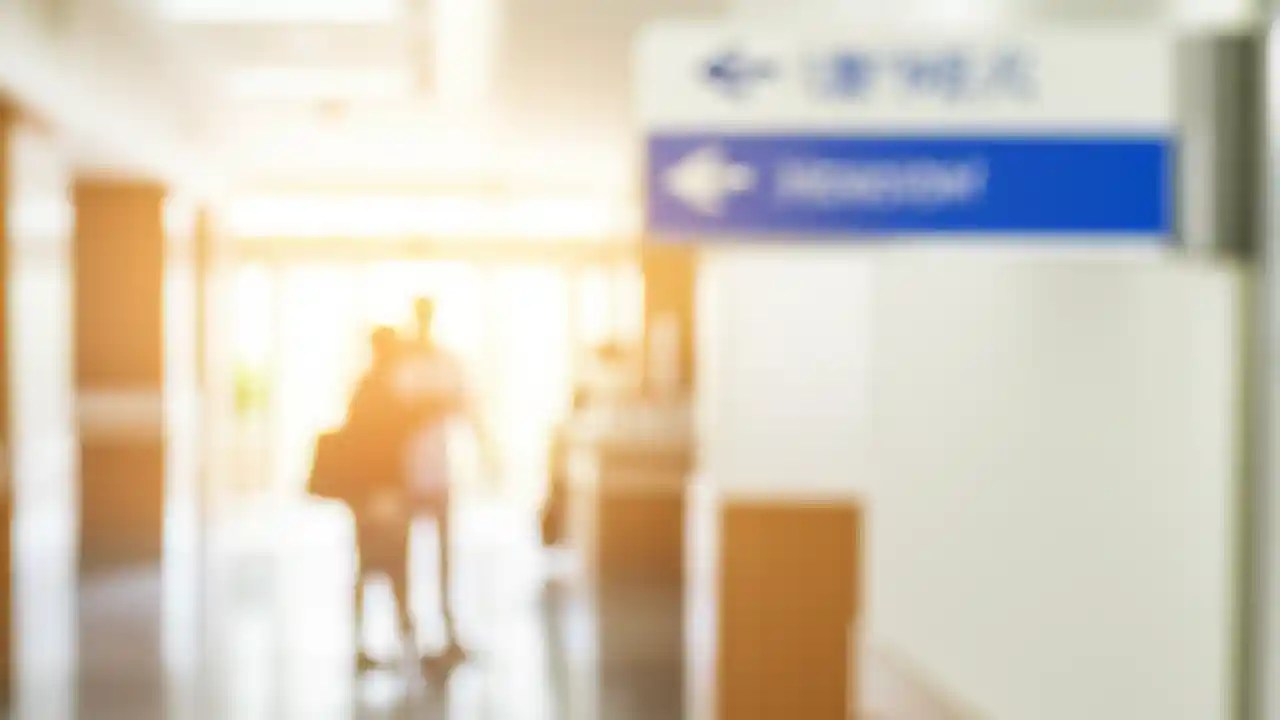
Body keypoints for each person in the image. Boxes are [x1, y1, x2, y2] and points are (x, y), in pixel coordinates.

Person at [396, 297, 495, 672]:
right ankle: (407, 629)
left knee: (444, 555)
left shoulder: (445, 361)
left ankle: (447, 627)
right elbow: (399, 409)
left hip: (438, 469)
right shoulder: (403, 362)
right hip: (403, 472)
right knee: (402, 555)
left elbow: (464, 405)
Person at [345, 326, 421, 673]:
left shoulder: (367, 389)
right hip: (383, 492)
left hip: (369, 493)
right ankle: (400, 639)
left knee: (371, 566)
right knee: (392, 567)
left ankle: (370, 641)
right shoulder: (384, 393)